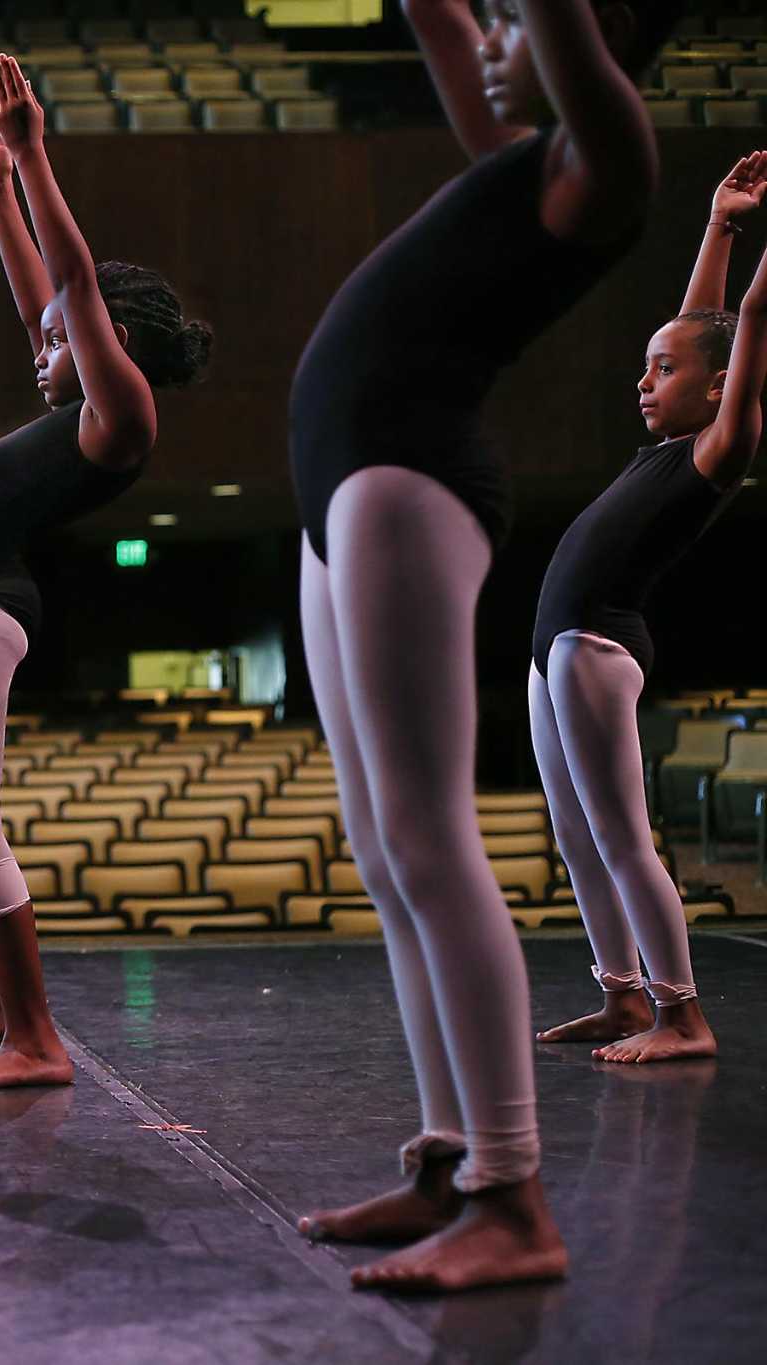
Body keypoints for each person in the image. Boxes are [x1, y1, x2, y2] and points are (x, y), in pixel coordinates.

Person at [289, 0, 679, 1294]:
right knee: (382, 848)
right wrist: (441, 18)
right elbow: (463, 57)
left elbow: (555, 44)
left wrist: (539, 19)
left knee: (428, 834)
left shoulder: (608, 163)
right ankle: (450, 1163)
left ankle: (515, 1199)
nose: (496, 26)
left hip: (408, 472)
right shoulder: (528, 163)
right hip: (343, 485)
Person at [0, 58, 209, 1090]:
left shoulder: (123, 419)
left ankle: (34, 1039)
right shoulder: (77, 406)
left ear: (106, 341)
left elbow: (69, 291)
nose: (38, 348)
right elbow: (49, 296)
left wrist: (32, 158)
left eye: (59, 341)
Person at [529, 152, 767, 1065]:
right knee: (574, 833)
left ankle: (684, 1013)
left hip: (595, 641)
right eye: (643, 365)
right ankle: (624, 997)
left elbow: (739, 323)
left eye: (662, 370)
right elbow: (704, 321)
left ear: (716, 388)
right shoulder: (670, 437)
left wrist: (750, 286)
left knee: (622, 834)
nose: (644, 379)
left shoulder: (718, 448)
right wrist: (720, 224)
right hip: (554, 646)